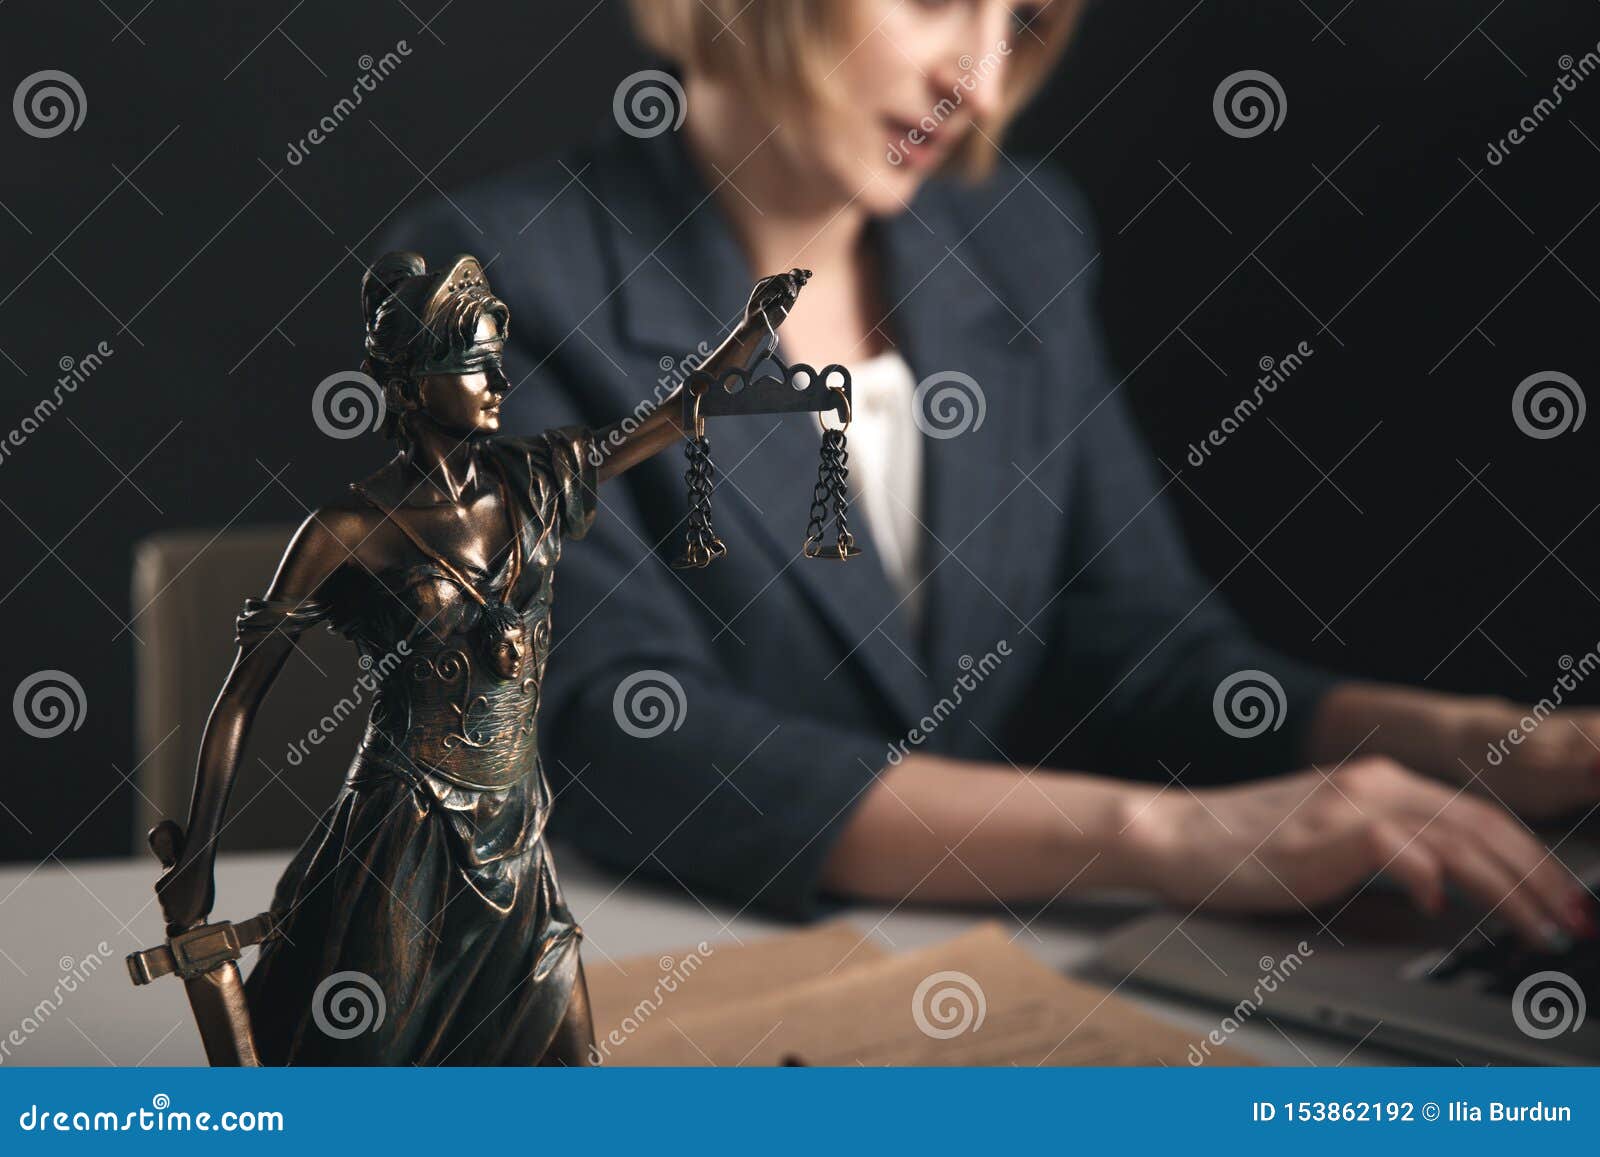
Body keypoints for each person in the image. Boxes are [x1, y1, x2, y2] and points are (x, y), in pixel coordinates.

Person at [379, 0, 1599, 949]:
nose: (976, 79)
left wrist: (1459, 740)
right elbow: (616, 737)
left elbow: (1146, 647)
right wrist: (1163, 833)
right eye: (928, 4)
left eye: (1017, 21)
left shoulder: (1022, 234)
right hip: (662, 973)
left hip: (993, 968)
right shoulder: (488, 273)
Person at [153, 251, 809, 1063]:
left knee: (563, 1053)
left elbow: (672, 416)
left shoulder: (532, 479)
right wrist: (199, 858)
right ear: (412, 379)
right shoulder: (347, 531)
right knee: (367, 1049)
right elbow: (240, 696)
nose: (500, 384)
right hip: (408, 824)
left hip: (516, 822)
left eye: (499, 365)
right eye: (476, 368)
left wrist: (747, 338)